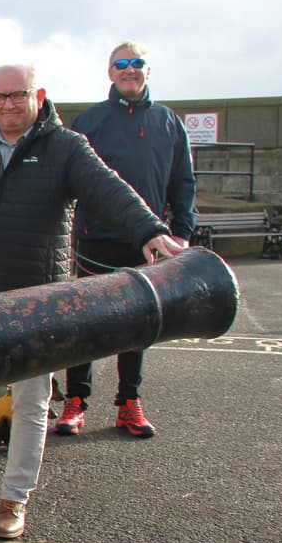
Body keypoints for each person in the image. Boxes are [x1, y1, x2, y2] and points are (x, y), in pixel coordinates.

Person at [0, 62, 187, 540]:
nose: (6, 105)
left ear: (39, 95)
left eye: (16, 95)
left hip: (35, 303)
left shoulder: (66, 148)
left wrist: (151, 231)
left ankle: (12, 500)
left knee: (30, 403)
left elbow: (109, 189)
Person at [55, 42, 196, 439]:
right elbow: (66, 178)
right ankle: (76, 401)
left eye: (137, 64)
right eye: (122, 64)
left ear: (148, 71)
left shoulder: (169, 122)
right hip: (94, 237)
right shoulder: (91, 120)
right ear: (110, 72)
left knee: (139, 324)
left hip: (147, 242)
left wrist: (181, 231)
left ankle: (129, 402)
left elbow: (183, 181)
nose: (129, 70)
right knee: (86, 322)